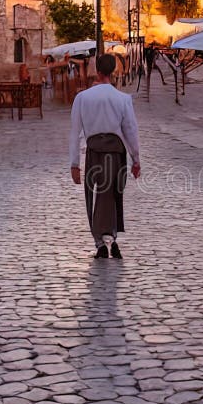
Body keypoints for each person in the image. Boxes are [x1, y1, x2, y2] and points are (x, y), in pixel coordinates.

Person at [69, 53, 141, 259]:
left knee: (95, 194)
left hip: (94, 153)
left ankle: (100, 240)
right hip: (116, 154)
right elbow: (131, 130)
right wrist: (136, 160)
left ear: (97, 70)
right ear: (114, 71)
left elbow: (75, 132)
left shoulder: (82, 98)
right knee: (113, 194)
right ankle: (113, 237)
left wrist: (74, 163)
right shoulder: (123, 99)